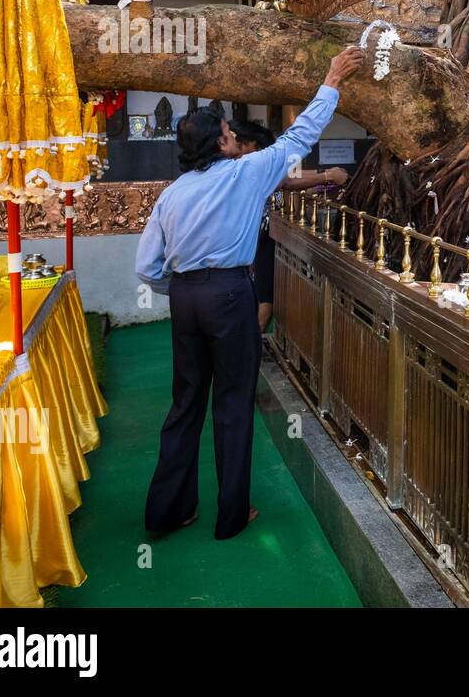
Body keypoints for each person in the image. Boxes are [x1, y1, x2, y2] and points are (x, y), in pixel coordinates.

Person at [136, 46, 366, 540]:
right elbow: (301, 134)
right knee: (234, 402)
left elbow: (146, 267)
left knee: (185, 403)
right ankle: (231, 515)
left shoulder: (171, 194)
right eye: (228, 134)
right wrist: (331, 77)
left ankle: (168, 512)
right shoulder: (246, 173)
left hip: (185, 298)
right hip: (230, 296)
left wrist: (179, 288)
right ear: (220, 145)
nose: (234, 139)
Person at [223, 116, 349, 330]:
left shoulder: (229, 167)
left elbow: (288, 175)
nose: (263, 155)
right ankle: (248, 348)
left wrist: (323, 177)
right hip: (246, 243)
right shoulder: (240, 168)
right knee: (263, 296)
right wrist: (327, 175)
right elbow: (286, 181)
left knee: (258, 293)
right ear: (241, 144)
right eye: (258, 148)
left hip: (248, 242)